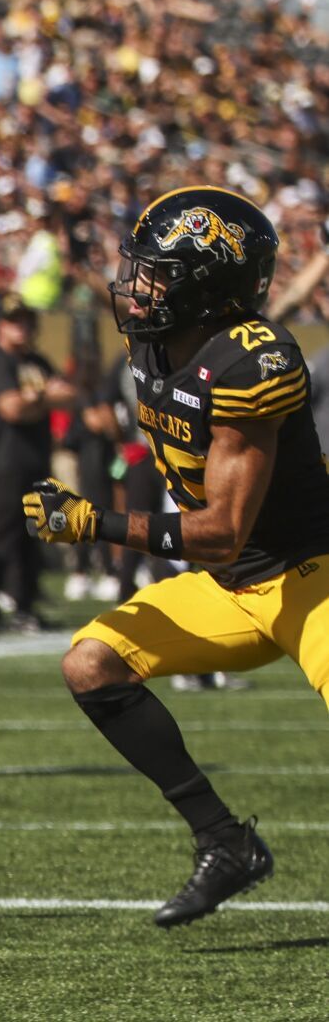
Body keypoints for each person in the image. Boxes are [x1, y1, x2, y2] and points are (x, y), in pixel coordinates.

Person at [24, 187, 329, 928]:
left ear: (205, 286)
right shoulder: (151, 336)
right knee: (89, 663)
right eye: (139, 268)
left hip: (308, 578)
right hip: (229, 587)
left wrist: (94, 522)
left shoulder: (251, 363)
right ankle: (224, 842)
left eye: (157, 273)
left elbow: (221, 529)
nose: (135, 285)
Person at [0, 294, 73, 634]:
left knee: (31, 537)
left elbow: (70, 396)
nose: (22, 328)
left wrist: (32, 399)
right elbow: (10, 408)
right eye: (14, 321)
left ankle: (23, 605)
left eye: (27, 321)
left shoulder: (36, 360)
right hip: (2, 460)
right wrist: (43, 396)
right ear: (0, 324)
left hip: (34, 460)